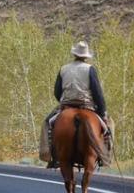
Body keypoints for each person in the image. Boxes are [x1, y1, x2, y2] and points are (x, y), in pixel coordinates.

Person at [41, 40, 113, 168]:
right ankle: (105, 157)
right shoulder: (90, 69)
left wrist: (63, 102)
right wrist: (103, 112)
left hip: (67, 104)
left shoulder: (63, 69)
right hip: (87, 105)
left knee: (47, 123)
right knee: (109, 126)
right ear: (86, 56)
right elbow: (97, 92)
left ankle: (50, 155)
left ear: (74, 54)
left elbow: (57, 92)